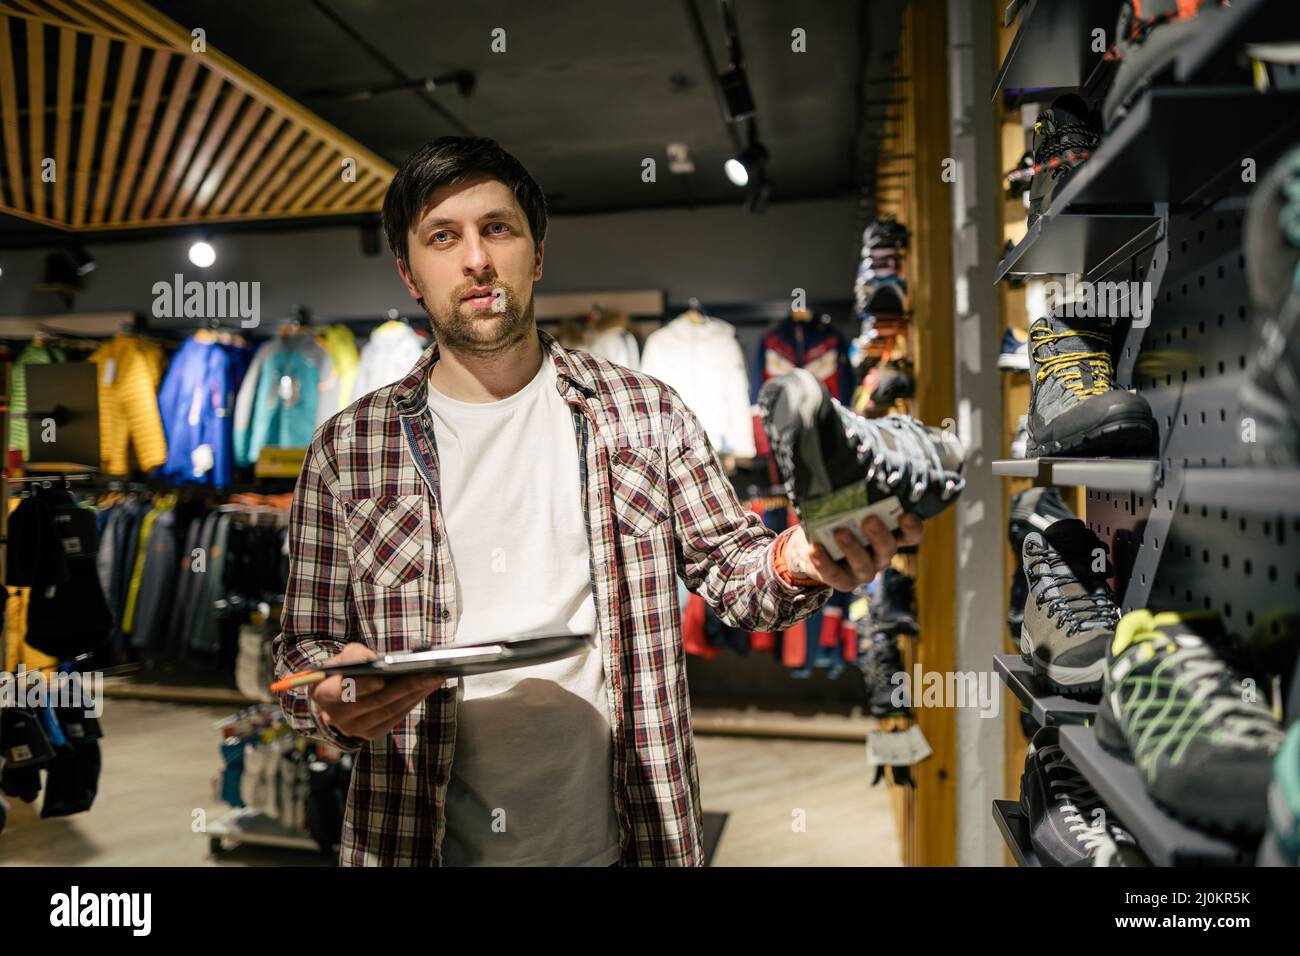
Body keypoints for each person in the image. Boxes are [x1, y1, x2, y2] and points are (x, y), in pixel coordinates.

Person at [273, 136, 926, 866]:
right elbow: (304, 649)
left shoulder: (645, 413)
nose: (476, 259)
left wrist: (802, 556)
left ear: (537, 252)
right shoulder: (349, 448)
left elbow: (733, 570)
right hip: (411, 840)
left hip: (624, 840)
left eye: (498, 228)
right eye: (442, 237)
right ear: (410, 274)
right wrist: (329, 700)